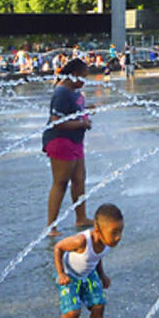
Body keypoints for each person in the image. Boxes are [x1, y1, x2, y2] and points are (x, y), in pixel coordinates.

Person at [51, 202, 124, 318]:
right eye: (114, 232)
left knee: (99, 306)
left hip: (88, 274)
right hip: (69, 274)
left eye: (121, 231)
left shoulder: (107, 242)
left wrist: (102, 275)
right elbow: (58, 247)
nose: (118, 237)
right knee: (73, 313)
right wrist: (61, 274)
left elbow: (97, 257)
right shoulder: (81, 241)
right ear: (98, 230)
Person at [43, 59, 92, 234]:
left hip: (75, 140)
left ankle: (81, 218)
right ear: (74, 75)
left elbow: (74, 111)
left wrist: (86, 112)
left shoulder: (73, 90)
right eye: (83, 77)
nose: (85, 81)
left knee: (79, 180)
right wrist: (81, 124)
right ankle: (51, 226)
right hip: (61, 141)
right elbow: (57, 122)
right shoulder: (62, 92)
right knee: (61, 182)